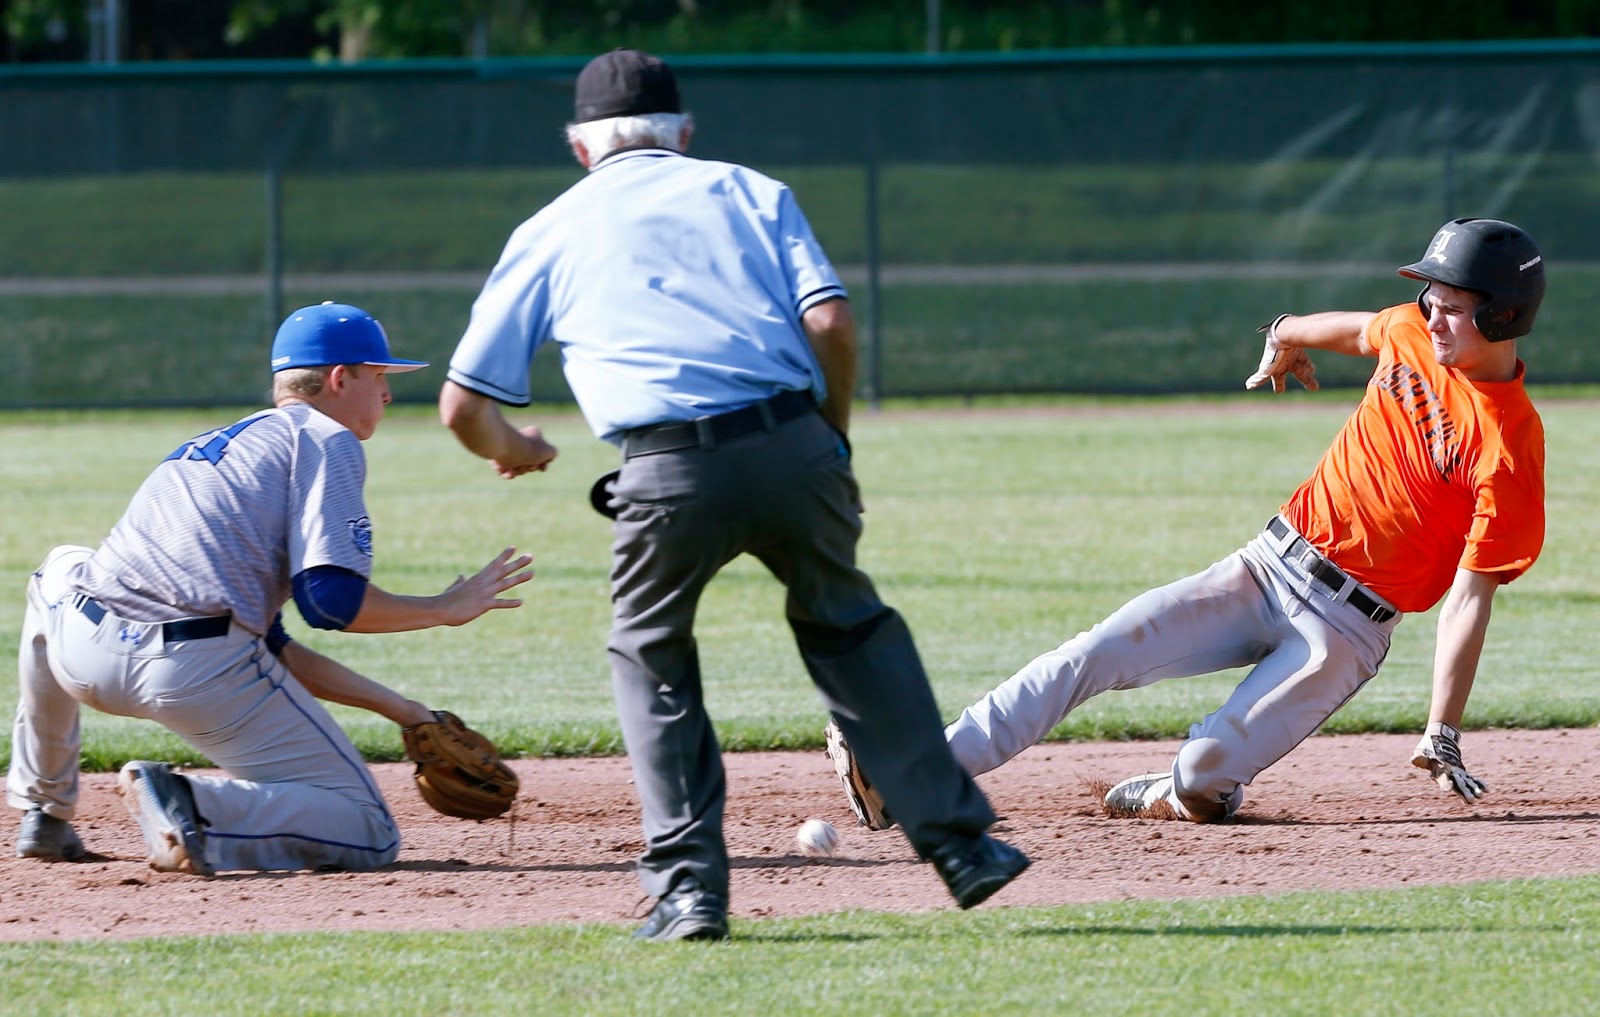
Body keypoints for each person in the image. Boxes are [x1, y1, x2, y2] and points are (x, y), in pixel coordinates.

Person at [438, 48, 1029, 940]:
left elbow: (461, 407)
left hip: (666, 465)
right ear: (683, 134)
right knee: (849, 625)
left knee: (650, 653)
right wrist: (830, 433)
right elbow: (828, 319)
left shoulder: (551, 226)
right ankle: (962, 846)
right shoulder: (751, 191)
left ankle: (689, 893)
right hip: (793, 441)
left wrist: (514, 446)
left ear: (579, 147)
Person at [833, 217, 1546, 826]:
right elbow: (1364, 329)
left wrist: (1442, 726)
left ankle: (1185, 793)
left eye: (1452, 306)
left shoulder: (1510, 445)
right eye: (1430, 296)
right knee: (1097, 650)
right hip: (1266, 568)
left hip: (1345, 632)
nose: (1431, 314)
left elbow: (1471, 594)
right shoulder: (1414, 333)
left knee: (1203, 772)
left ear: (1502, 316)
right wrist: (1283, 333)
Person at [8, 301, 533, 874]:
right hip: (192, 673)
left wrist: (404, 711)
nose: (386, 394)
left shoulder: (228, 444)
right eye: (378, 376)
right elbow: (331, 602)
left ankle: (44, 811)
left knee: (61, 566)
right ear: (339, 379)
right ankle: (194, 805)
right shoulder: (327, 439)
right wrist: (440, 608)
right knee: (369, 828)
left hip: (82, 649)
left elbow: (272, 645)